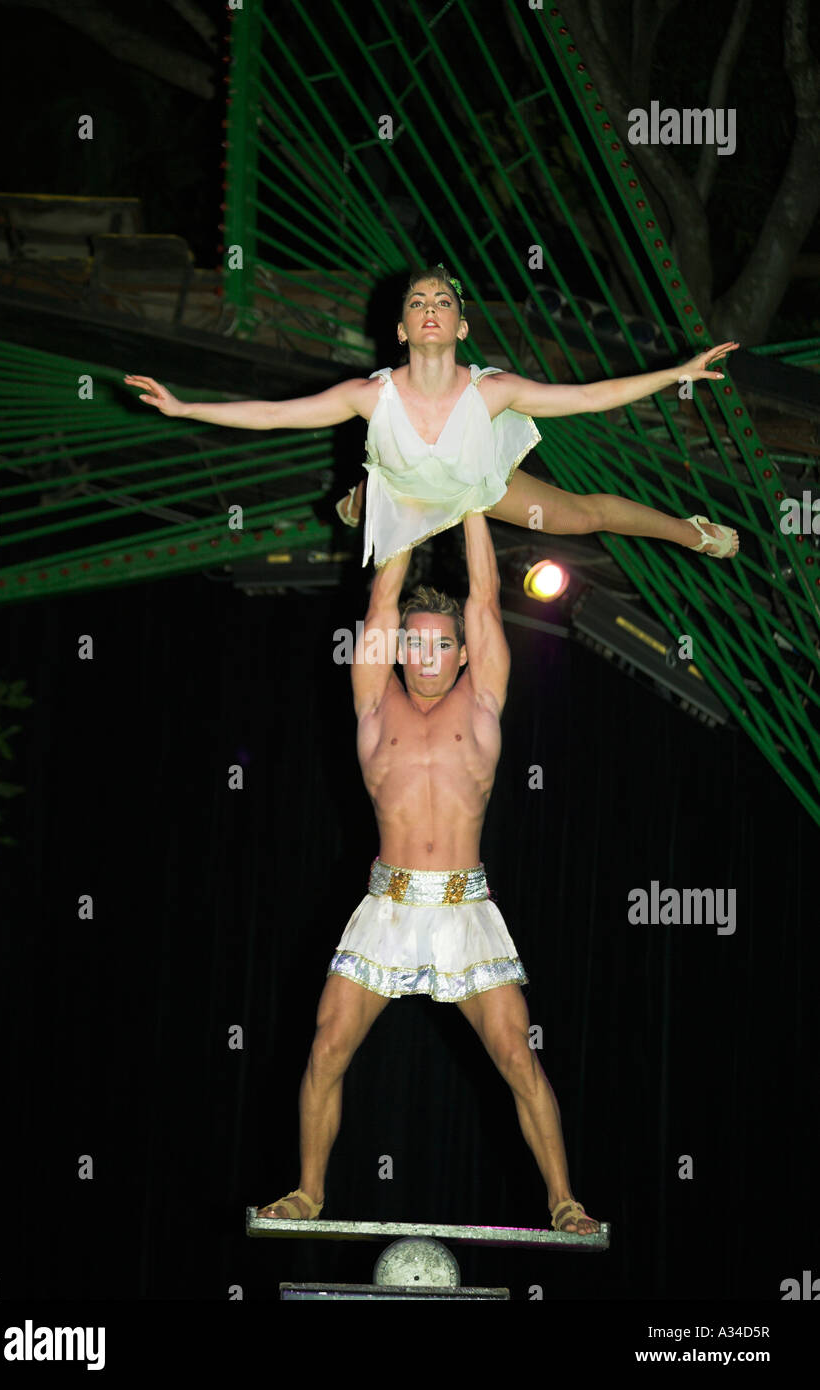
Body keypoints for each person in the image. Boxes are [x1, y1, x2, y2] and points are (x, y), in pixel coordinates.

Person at [252, 510, 599, 1232]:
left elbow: (481, 597)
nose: (425, 654)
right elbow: (381, 603)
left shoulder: (483, 702)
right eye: (414, 642)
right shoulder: (375, 705)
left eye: (441, 645)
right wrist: (403, 509)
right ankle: (310, 1193)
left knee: (515, 1053)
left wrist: (470, 499)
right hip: (387, 907)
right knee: (325, 1045)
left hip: (465, 912)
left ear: (465, 653)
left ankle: (564, 1199)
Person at [123, 262, 740, 572]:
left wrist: (675, 373)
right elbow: (275, 414)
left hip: (474, 484)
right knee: (386, 585)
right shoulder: (371, 395)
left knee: (586, 514)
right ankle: (364, 496)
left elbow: (585, 398)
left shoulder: (494, 389)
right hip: (405, 493)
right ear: (402, 329)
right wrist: (183, 406)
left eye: (443, 301)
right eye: (417, 301)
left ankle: (691, 530)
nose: (430, 308)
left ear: (461, 327)